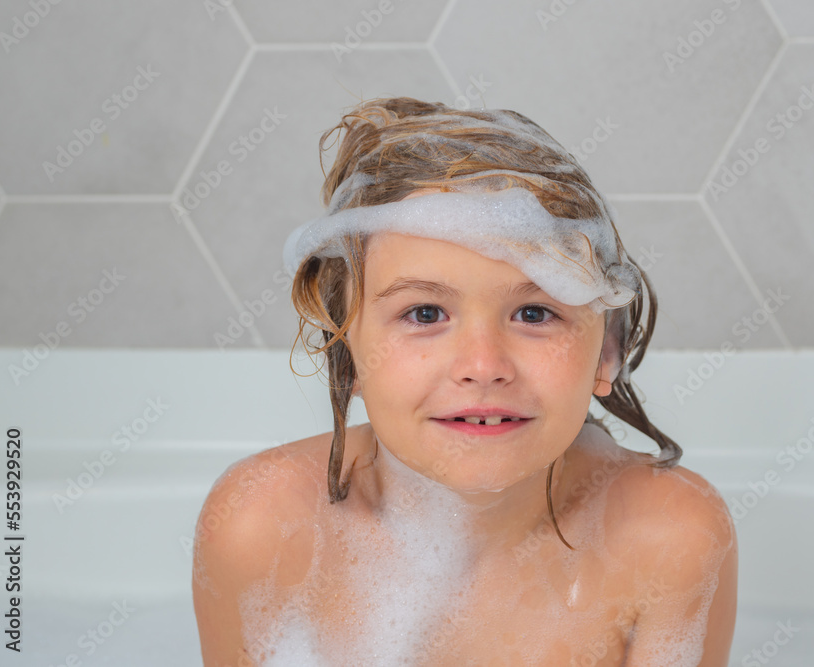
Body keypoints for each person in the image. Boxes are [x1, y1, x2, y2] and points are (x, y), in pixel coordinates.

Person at [192, 97, 737, 666]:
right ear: (347, 352)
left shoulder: (667, 538)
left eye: (534, 314)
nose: (482, 364)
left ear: (607, 352)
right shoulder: (263, 526)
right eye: (424, 314)